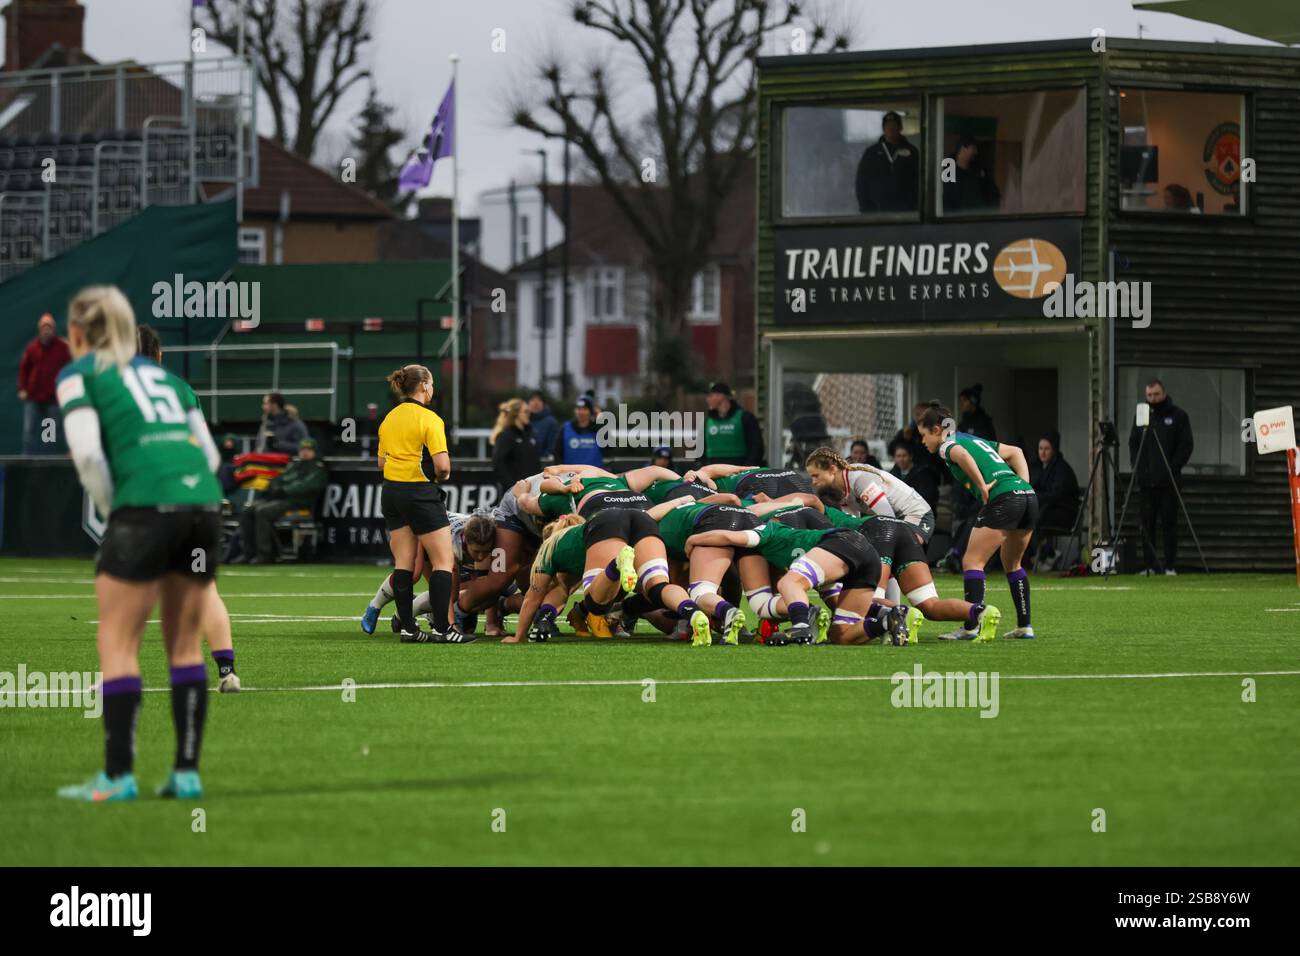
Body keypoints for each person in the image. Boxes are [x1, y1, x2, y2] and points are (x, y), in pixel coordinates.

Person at [55, 286, 223, 801]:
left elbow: (86, 456)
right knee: (184, 643)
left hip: (143, 510)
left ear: (78, 333)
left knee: (119, 641)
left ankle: (118, 776)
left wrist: (116, 510)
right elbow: (212, 457)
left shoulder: (78, 375)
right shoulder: (164, 379)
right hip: (203, 506)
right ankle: (186, 773)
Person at [137, 323, 241, 693]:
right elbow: (208, 453)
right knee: (204, 586)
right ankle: (227, 671)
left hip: (150, 500)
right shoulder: (182, 391)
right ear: (160, 355)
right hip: (198, 500)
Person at [917, 404, 1038, 641]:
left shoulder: (947, 444)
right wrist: (1023, 486)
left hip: (1004, 498)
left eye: (923, 435)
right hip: (1027, 497)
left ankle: (971, 627)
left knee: (972, 561)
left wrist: (982, 486)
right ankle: (1025, 626)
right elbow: (1016, 452)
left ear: (936, 429)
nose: (922, 441)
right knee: (1012, 563)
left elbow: (961, 456)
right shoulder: (971, 438)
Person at [377, 364, 469, 643]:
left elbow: (382, 463)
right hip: (418, 491)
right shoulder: (430, 419)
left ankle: (408, 628)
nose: (433, 389)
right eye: (432, 384)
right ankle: (443, 629)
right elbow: (442, 466)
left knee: (403, 563)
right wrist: (441, 476)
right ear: (424, 386)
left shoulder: (389, 418)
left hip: (391, 491)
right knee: (444, 561)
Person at [803, 446, 937, 545]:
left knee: (894, 550)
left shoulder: (859, 480)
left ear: (832, 470)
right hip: (895, 518)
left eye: (816, 475)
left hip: (916, 514)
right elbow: (853, 523)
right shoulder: (840, 488)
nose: (813, 482)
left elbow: (888, 519)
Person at [1128, 379, 1194, 575]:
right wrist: (1138, 468)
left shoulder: (1178, 416)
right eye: (1149, 395)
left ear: (1163, 393)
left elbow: (1186, 445)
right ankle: (1150, 565)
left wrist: (1172, 468)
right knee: (1147, 525)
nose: (1153, 399)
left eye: (1156, 395)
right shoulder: (1141, 417)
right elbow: (1134, 443)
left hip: (1169, 481)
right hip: (1146, 481)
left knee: (1169, 524)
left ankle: (1170, 565)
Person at [231, 438, 327, 564]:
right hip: (280, 500)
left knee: (262, 511)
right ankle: (248, 553)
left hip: (298, 503)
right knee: (248, 510)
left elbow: (308, 486)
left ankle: (265, 554)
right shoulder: (294, 465)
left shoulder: (317, 468)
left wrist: (284, 490)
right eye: (303, 449)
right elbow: (279, 478)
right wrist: (273, 487)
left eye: (308, 450)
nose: (305, 452)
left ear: (314, 451)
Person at [18, 312, 72, 455]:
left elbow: (70, 367)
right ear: (40, 330)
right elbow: (24, 369)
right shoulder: (32, 348)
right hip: (33, 397)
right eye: (44, 328)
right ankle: (26, 460)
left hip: (52, 398)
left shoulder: (62, 347)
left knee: (50, 433)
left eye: (49, 328)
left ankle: (49, 460)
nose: (46, 331)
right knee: (29, 430)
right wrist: (23, 389)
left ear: (53, 330)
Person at [854, 110, 918, 213]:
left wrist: (914, 206)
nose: (891, 128)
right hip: (877, 211)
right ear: (883, 129)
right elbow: (861, 181)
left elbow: (919, 180)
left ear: (900, 128)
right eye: (888, 125)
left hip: (906, 212)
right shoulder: (872, 152)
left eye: (894, 125)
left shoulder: (912, 152)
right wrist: (866, 208)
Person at [703, 381, 764, 466]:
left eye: (710, 396)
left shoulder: (745, 418)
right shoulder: (707, 421)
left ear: (721, 396)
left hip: (739, 469)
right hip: (712, 470)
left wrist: (748, 466)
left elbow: (756, 445)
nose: (707, 399)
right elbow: (701, 448)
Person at [1032, 430, 1080, 531]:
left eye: (1047, 449)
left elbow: (1056, 495)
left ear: (1054, 450)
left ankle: (1039, 546)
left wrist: (1035, 497)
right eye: (1040, 448)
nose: (1043, 452)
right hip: (1049, 510)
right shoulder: (1042, 468)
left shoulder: (1061, 469)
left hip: (1064, 513)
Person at [490, 397, 541, 493]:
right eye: (526, 412)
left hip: (532, 490)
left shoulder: (530, 435)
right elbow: (498, 463)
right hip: (514, 493)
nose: (528, 415)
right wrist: (512, 486)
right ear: (516, 413)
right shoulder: (506, 436)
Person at [942, 134, 1001, 214]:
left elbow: (993, 193)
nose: (976, 152)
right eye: (973, 148)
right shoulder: (948, 172)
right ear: (963, 148)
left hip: (981, 218)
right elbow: (947, 199)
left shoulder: (979, 169)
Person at [889, 439, 940, 511]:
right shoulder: (893, 474)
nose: (901, 459)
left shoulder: (923, 473)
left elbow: (929, 496)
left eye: (904, 456)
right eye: (898, 456)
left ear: (910, 456)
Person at [555, 395, 604, 467]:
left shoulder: (598, 429)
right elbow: (557, 453)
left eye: (584, 409)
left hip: (594, 476)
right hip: (570, 476)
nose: (581, 412)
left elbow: (609, 447)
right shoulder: (565, 428)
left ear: (591, 411)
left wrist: (601, 422)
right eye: (578, 409)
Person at [526, 389, 560, 460]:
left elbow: (552, 448)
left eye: (539, 400)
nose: (535, 403)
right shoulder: (523, 421)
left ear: (544, 404)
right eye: (532, 400)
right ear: (528, 403)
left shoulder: (551, 422)